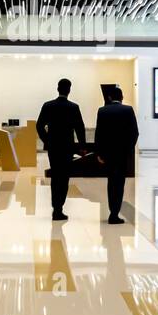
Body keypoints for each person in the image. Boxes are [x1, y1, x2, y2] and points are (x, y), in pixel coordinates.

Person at [36, 78, 86, 221]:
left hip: (54, 147)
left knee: (56, 175)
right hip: (68, 147)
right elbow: (80, 128)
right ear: (69, 90)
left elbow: (39, 126)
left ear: (58, 89)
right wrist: (82, 146)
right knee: (64, 177)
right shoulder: (73, 107)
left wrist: (47, 140)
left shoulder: (48, 106)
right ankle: (59, 208)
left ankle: (55, 208)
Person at [94, 86, 138, 224]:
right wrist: (128, 149)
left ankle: (111, 211)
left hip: (108, 154)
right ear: (122, 97)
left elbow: (98, 134)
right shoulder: (128, 110)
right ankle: (115, 214)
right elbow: (134, 133)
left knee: (111, 182)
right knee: (120, 183)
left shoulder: (102, 111)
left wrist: (99, 153)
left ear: (109, 98)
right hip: (123, 154)